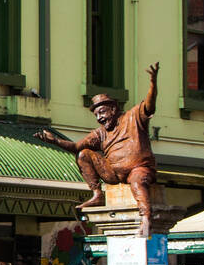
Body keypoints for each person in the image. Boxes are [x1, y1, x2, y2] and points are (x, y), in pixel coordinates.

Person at [36, 62, 159, 235]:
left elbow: (149, 104)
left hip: (139, 169)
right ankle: (97, 194)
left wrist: (153, 82)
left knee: (138, 182)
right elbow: (76, 146)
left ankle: (146, 218)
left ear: (113, 108)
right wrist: (54, 140)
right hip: (113, 173)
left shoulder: (133, 117)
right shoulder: (100, 133)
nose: (99, 118)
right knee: (83, 154)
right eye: (96, 115)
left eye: (102, 112)